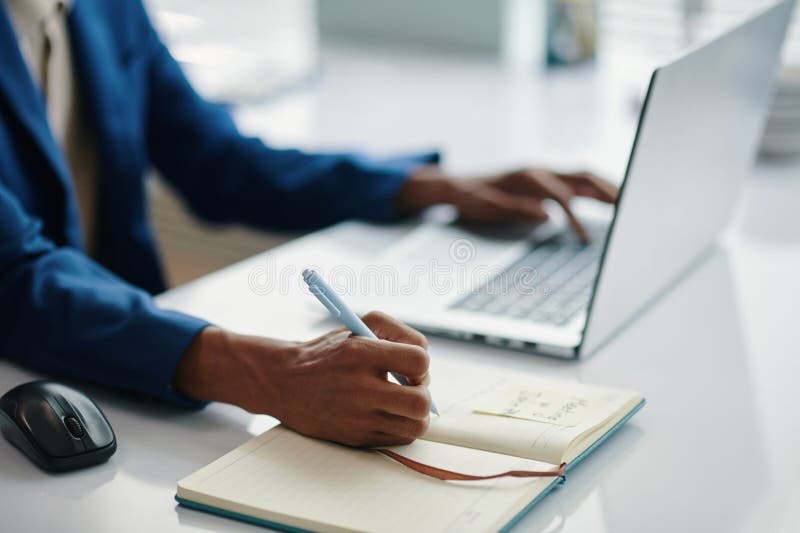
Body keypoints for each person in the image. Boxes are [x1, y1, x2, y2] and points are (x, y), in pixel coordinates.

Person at [0, 0, 617, 448]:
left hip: (126, 380)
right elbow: (14, 277)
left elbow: (219, 162)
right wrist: (268, 374)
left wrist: (430, 187)